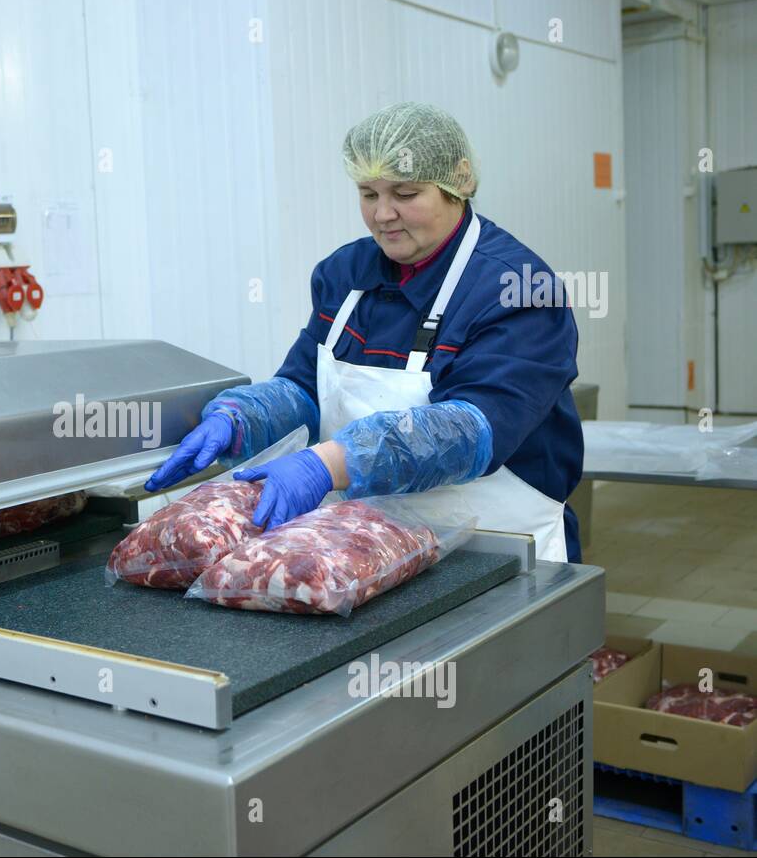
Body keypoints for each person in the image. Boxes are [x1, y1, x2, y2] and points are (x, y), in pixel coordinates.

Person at [145, 102, 584, 562]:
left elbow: (472, 431)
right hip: (366, 546)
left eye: (405, 193)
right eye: (368, 194)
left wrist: (328, 464)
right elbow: (303, 388)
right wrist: (239, 419)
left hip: (500, 547)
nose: (383, 214)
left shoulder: (521, 290)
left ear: (459, 182)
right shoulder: (344, 273)